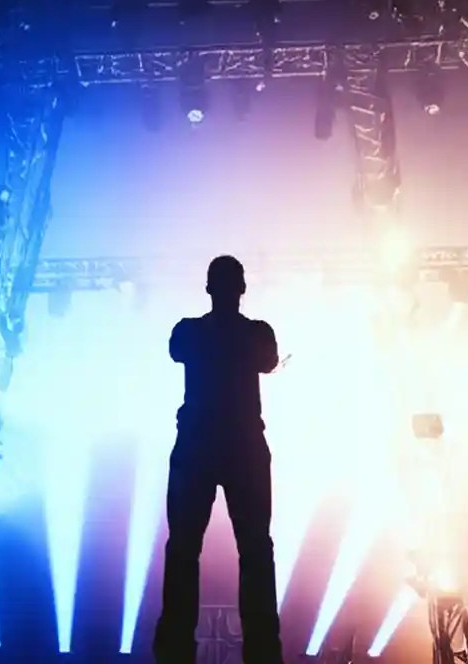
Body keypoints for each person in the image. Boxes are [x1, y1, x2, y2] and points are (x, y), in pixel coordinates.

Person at [154, 255, 284, 664]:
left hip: (198, 443)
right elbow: (268, 360)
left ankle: (175, 649)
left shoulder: (189, 332)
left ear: (208, 287)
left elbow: (177, 350)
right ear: (242, 288)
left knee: (184, 548)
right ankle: (263, 650)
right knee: (255, 549)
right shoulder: (256, 333)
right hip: (242, 445)